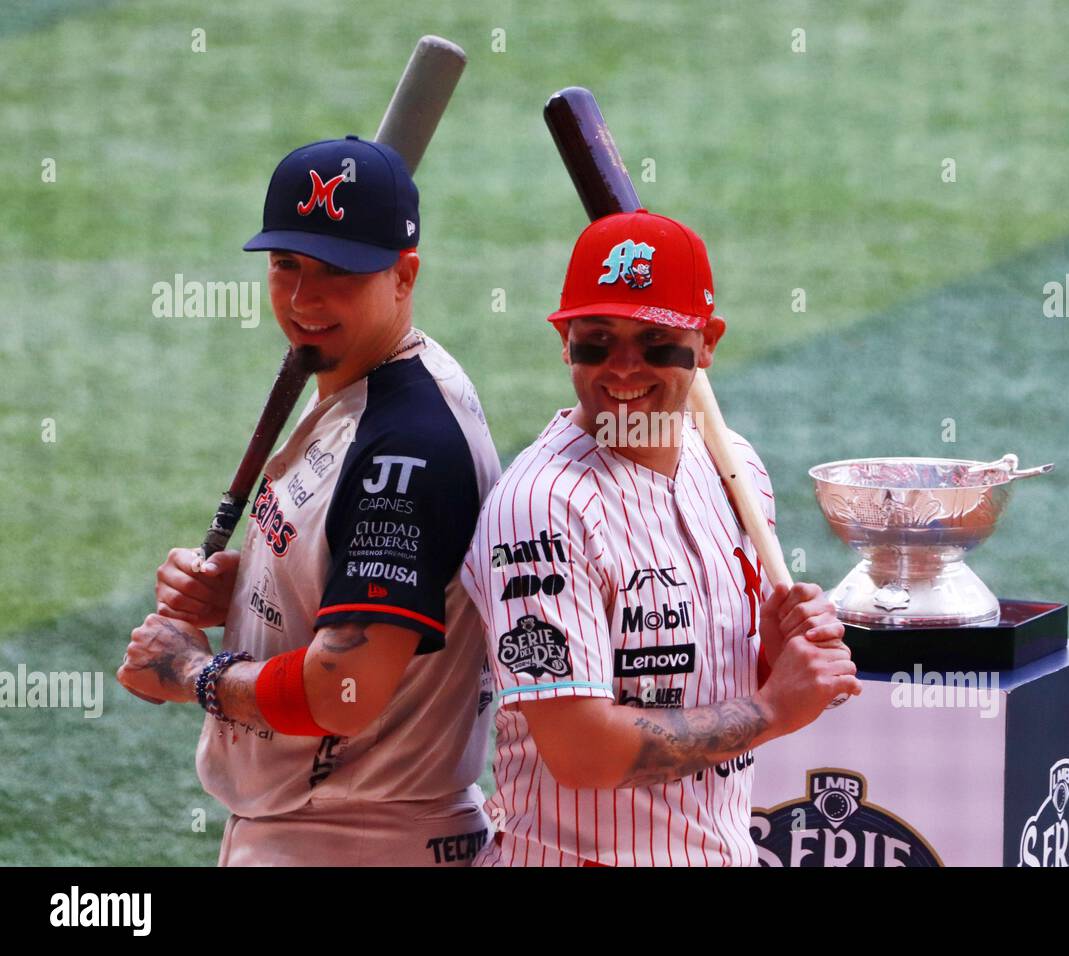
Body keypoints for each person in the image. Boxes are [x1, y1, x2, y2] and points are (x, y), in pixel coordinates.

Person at [117, 136, 501, 866]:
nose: (303, 300)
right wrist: (250, 594)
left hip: (357, 839)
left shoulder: (404, 445)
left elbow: (346, 688)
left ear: (404, 275)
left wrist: (190, 673)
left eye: (337, 273)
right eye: (285, 265)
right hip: (329, 828)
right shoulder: (357, 382)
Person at [460, 208, 860, 866]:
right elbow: (581, 751)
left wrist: (773, 655)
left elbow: (709, 682)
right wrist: (773, 708)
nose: (623, 367)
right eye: (597, 337)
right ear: (563, 339)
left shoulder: (736, 471)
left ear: (707, 342)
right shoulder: (542, 508)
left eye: (654, 338)